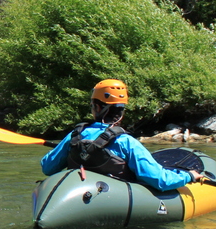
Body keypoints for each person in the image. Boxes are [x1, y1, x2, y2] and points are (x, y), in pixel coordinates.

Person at [40, 79, 204, 189]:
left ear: (97, 108)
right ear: (121, 110)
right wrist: (188, 175)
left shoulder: (75, 135)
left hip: (78, 192)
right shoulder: (126, 142)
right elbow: (160, 180)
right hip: (114, 199)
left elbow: (47, 167)